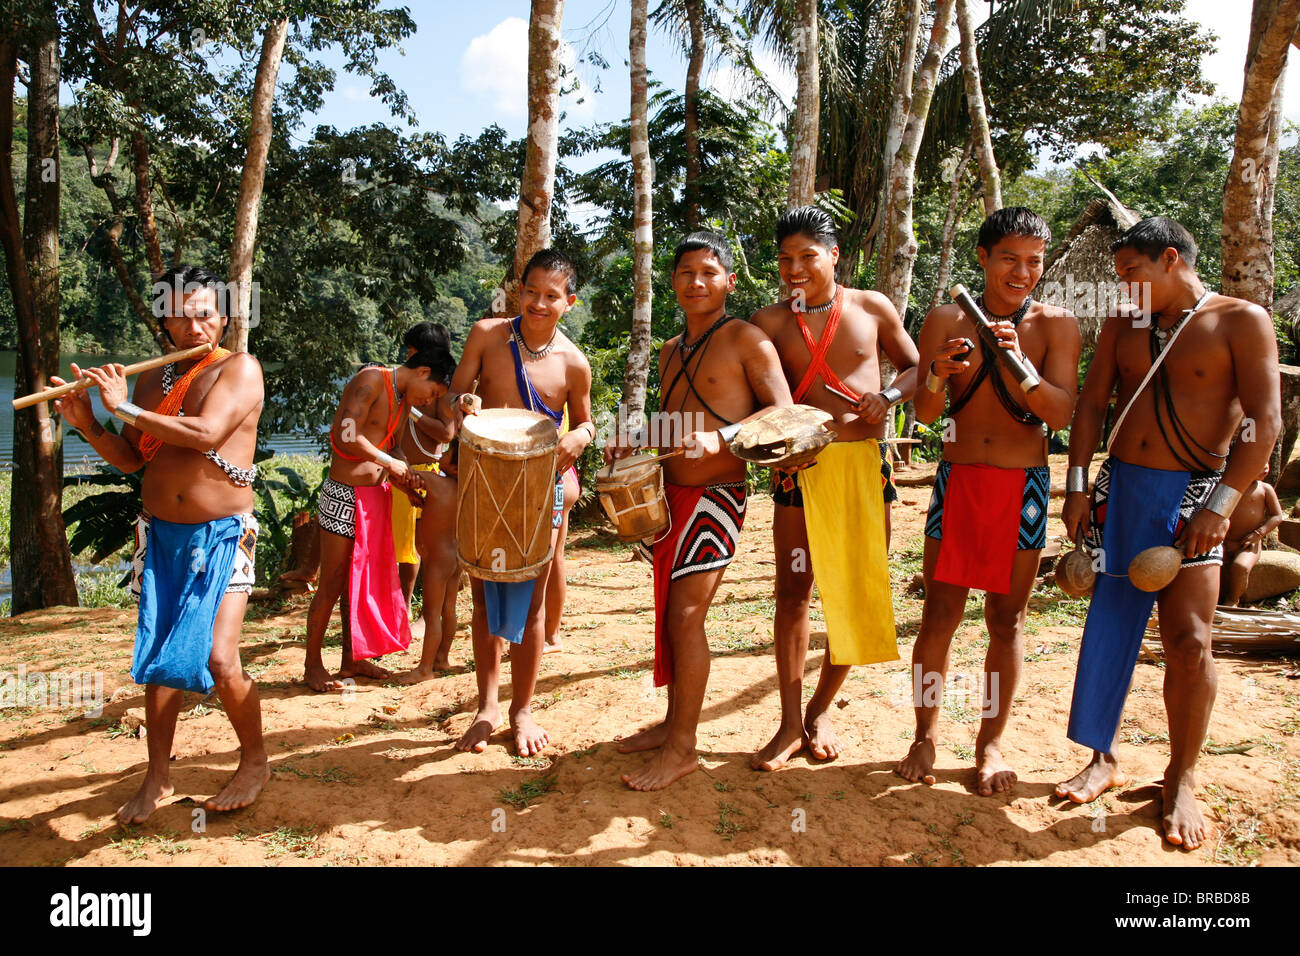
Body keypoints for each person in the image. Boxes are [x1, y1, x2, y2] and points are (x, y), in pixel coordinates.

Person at [1057, 216, 1280, 849]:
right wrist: (1077, 487)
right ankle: (1101, 754)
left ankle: (1180, 776)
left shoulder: (1240, 321)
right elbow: (1093, 403)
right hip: (1119, 490)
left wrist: (1223, 504)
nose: (1123, 286)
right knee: (1109, 624)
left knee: (1188, 639)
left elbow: (1262, 423)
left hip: (1195, 494)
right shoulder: (1123, 324)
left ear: (1172, 259)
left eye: (1132, 272)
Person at [52, 264, 267, 822]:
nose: (195, 326)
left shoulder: (239, 369)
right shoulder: (151, 382)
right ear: (164, 321)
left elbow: (205, 434)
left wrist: (119, 406)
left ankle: (255, 760)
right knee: (161, 658)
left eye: (206, 314)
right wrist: (89, 422)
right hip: (161, 534)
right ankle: (158, 777)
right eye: (182, 314)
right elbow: (130, 457)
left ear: (222, 319)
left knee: (220, 658)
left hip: (223, 535)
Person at [896, 207, 1081, 796]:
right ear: (982, 258)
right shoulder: (946, 317)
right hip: (958, 483)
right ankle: (924, 734)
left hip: (1021, 487)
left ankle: (989, 742)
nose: (1021, 271)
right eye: (1009, 258)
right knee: (939, 616)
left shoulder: (1056, 325)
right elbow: (925, 414)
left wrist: (1018, 364)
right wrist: (937, 374)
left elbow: (1063, 414)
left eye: (1034, 260)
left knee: (1006, 620)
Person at [610, 231, 792, 791]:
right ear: (673, 282)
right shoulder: (669, 350)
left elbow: (784, 415)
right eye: (686, 272)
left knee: (686, 616)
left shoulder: (746, 338)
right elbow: (675, 424)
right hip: (669, 500)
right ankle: (672, 725)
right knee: (671, 613)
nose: (696, 282)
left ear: (729, 281)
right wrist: (633, 439)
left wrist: (725, 439)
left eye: (709, 272)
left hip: (718, 497)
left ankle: (683, 748)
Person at [748, 206, 919, 771]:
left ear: (834, 254)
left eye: (807, 256)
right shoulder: (769, 322)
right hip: (799, 471)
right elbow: (751, 400)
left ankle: (820, 711)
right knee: (792, 593)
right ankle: (788, 723)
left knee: (852, 594)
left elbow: (916, 368)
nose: (794, 268)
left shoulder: (872, 307)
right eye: (785, 259)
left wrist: (889, 398)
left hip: (861, 466)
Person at [445, 249, 594, 756]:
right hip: (485, 483)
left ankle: (521, 710)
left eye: (551, 295)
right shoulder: (488, 335)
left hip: (540, 490)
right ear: (519, 290)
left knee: (531, 607)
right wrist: (464, 405)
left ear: (569, 302)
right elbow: (454, 394)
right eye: (531, 291)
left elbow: (586, 420)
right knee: (484, 600)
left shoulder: (574, 363)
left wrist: (584, 436)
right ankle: (487, 708)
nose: (538, 302)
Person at [303, 327, 455, 692]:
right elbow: (344, 433)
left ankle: (351, 659)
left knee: (357, 583)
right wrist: (390, 461)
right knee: (332, 582)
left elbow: (397, 449)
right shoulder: (371, 380)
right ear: (421, 372)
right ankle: (312, 665)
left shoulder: (403, 401)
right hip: (344, 493)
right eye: (432, 391)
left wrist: (407, 481)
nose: (428, 399)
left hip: (375, 497)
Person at [391, 323, 455, 631]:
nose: (409, 356)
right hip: (405, 474)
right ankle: (399, 610)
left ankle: (425, 616)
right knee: (404, 548)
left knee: (427, 547)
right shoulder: (407, 383)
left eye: (413, 350)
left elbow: (447, 431)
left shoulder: (441, 390)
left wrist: (415, 411)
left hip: (431, 474)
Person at [394, 402, 463, 681]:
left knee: (432, 614)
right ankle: (443, 657)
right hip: (458, 558)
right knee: (449, 609)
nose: (441, 454)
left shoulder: (434, 482)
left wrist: (407, 490)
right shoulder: (468, 488)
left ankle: (424, 669)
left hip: (436, 559)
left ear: (456, 465)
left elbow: (400, 475)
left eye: (447, 453)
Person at [1219, 464, 1284, 607]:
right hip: (1223, 541)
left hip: (1249, 544)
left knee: (1240, 566)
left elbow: (1277, 516)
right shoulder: (1228, 487)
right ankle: (1216, 598)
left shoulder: (1265, 489)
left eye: (1267, 462)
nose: (1266, 467)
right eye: (1260, 463)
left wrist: (1258, 534)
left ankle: (1233, 600)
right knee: (1216, 565)